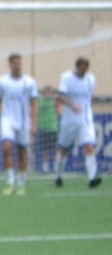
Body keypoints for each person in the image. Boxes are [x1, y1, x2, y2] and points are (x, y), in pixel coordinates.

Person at [0, 53, 38, 195]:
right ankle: (10, 182)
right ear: (10, 64)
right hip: (7, 120)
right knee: (6, 147)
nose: (18, 66)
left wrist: (34, 124)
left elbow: (34, 104)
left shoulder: (29, 82)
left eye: (20, 63)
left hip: (23, 122)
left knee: (22, 153)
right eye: (15, 63)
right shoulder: (2, 82)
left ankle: (21, 183)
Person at [54, 57, 102, 189]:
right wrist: (72, 105)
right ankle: (58, 175)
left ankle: (92, 178)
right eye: (82, 68)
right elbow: (60, 96)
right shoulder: (66, 77)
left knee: (89, 146)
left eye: (86, 68)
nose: (84, 71)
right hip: (69, 120)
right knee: (63, 148)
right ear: (77, 67)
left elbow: (88, 98)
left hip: (85, 120)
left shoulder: (90, 79)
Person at [36, 85, 59, 174]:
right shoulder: (40, 102)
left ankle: (55, 166)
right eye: (46, 93)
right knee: (44, 149)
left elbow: (59, 96)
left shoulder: (54, 101)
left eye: (50, 93)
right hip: (43, 128)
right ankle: (45, 167)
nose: (48, 95)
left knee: (55, 149)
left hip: (53, 128)